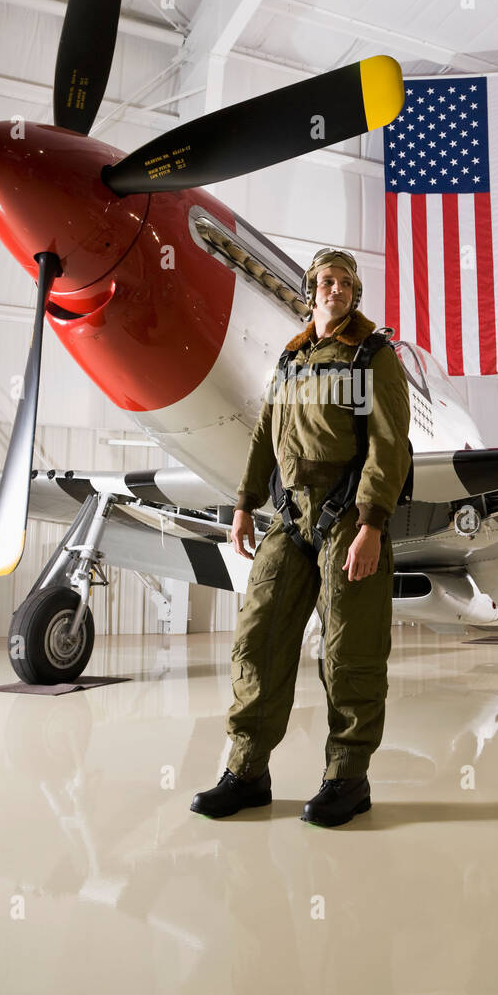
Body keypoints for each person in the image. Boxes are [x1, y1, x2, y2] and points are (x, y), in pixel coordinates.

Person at [191, 247, 411, 827]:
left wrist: (371, 525)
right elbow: (265, 433)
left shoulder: (373, 354)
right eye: (325, 281)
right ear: (311, 290)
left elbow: (389, 446)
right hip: (289, 518)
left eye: (344, 282)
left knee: (349, 652)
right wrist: (243, 503)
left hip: (347, 519)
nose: (334, 288)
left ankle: (347, 778)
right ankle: (247, 770)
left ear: (354, 293)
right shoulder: (290, 360)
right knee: (257, 639)